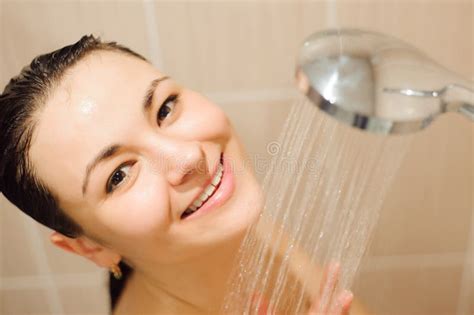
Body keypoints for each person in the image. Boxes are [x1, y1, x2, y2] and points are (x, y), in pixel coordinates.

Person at [0, 35, 353, 314]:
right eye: (119, 175)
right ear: (90, 248)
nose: (187, 158)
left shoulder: (236, 227)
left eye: (165, 109)